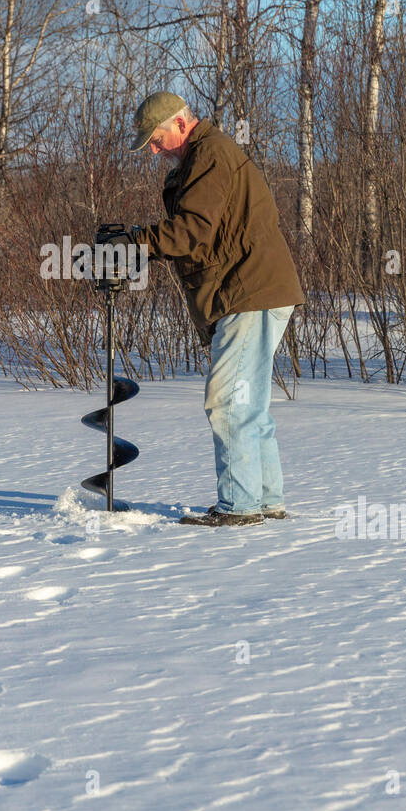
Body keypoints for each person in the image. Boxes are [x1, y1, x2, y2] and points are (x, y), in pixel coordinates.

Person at [103, 91, 304, 527]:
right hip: (259, 290)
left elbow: (192, 229)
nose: (153, 150)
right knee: (249, 403)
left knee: (227, 402)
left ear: (180, 123)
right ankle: (265, 500)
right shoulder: (208, 154)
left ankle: (240, 506)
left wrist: (137, 242)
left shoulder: (210, 154)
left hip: (248, 291)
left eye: (155, 140)